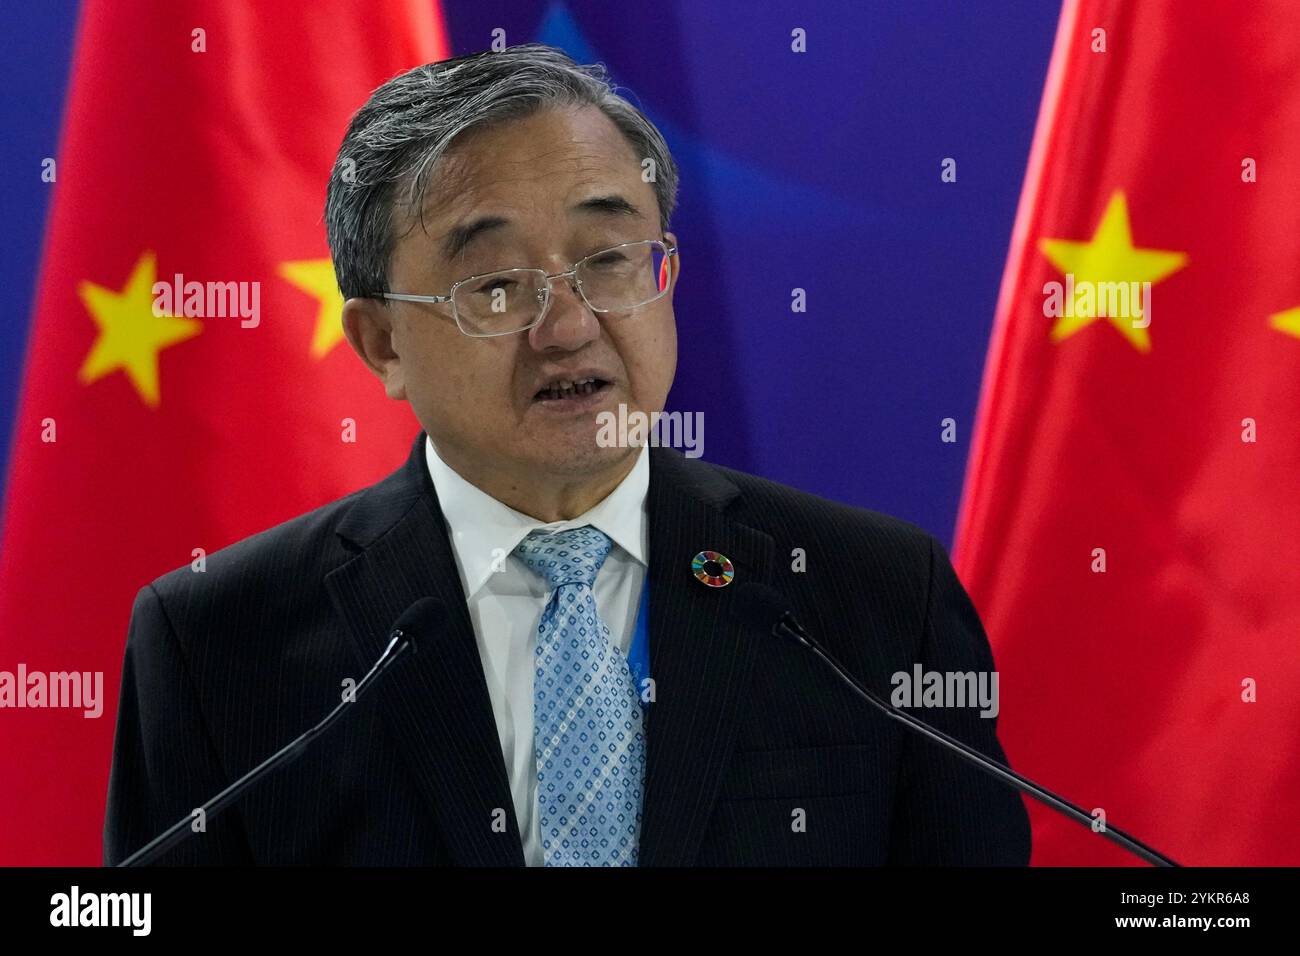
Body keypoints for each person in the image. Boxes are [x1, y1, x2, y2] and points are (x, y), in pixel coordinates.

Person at [104, 44, 1030, 866]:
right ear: (382, 342)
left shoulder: (870, 595)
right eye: (498, 285)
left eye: (610, 259)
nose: (570, 327)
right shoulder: (220, 641)